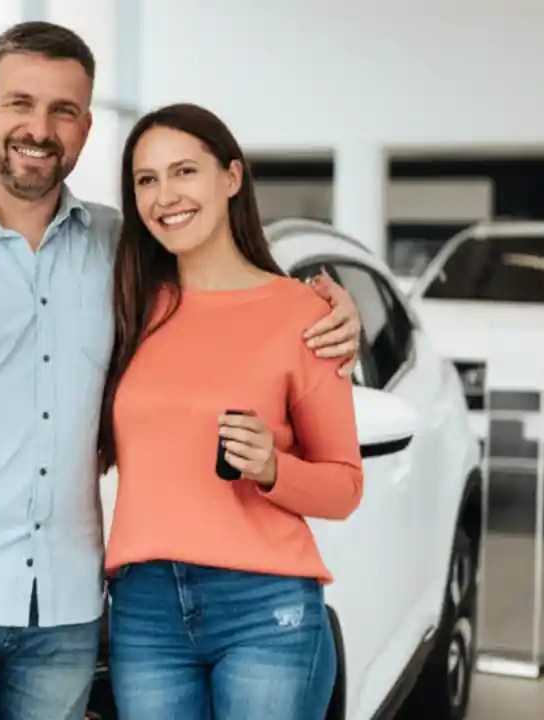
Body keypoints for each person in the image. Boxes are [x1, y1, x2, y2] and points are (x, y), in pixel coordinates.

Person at [0, 22, 362, 720]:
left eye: (64, 110)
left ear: (85, 128)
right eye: (19, 102)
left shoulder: (123, 251)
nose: (39, 127)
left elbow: (228, 299)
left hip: (67, 611)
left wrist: (325, 308)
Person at [97, 102, 365, 720]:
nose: (166, 195)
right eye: (147, 179)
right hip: (145, 608)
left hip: (263, 606)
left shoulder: (303, 314)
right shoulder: (129, 305)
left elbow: (345, 487)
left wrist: (275, 469)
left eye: (185, 171)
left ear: (232, 177)